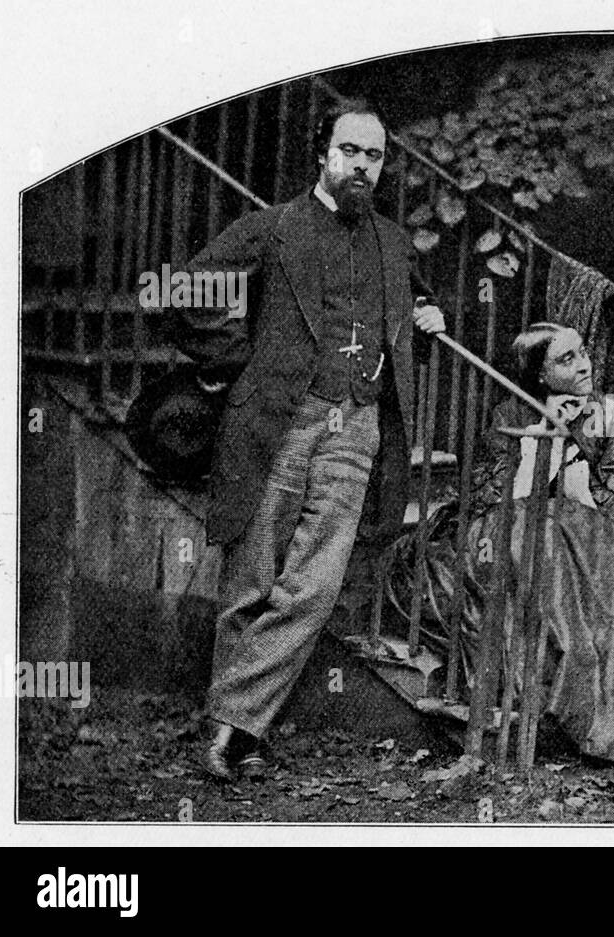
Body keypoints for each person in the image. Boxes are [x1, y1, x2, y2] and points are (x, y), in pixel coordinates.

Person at [172, 98, 447, 780]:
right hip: (281, 420)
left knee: (314, 587)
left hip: (355, 424)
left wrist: (427, 322)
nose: (362, 165)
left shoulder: (392, 241)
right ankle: (242, 736)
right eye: (350, 151)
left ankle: (231, 719)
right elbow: (188, 289)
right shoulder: (273, 229)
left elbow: (409, 313)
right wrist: (238, 364)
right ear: (323, 153)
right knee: (252, 578)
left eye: (374, 156)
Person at [402, 323, 614, 772]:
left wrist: (581, 449)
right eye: (566, 359)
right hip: (526, 522)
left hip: (591, 520)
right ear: (541, 375)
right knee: (536, 548)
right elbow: (499, 493)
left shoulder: (609, 410)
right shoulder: (510, 412)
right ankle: (552, 700)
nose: (584, 364)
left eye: (583, 352)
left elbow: (610, 485)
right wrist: (545, 429)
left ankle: (610, 710)